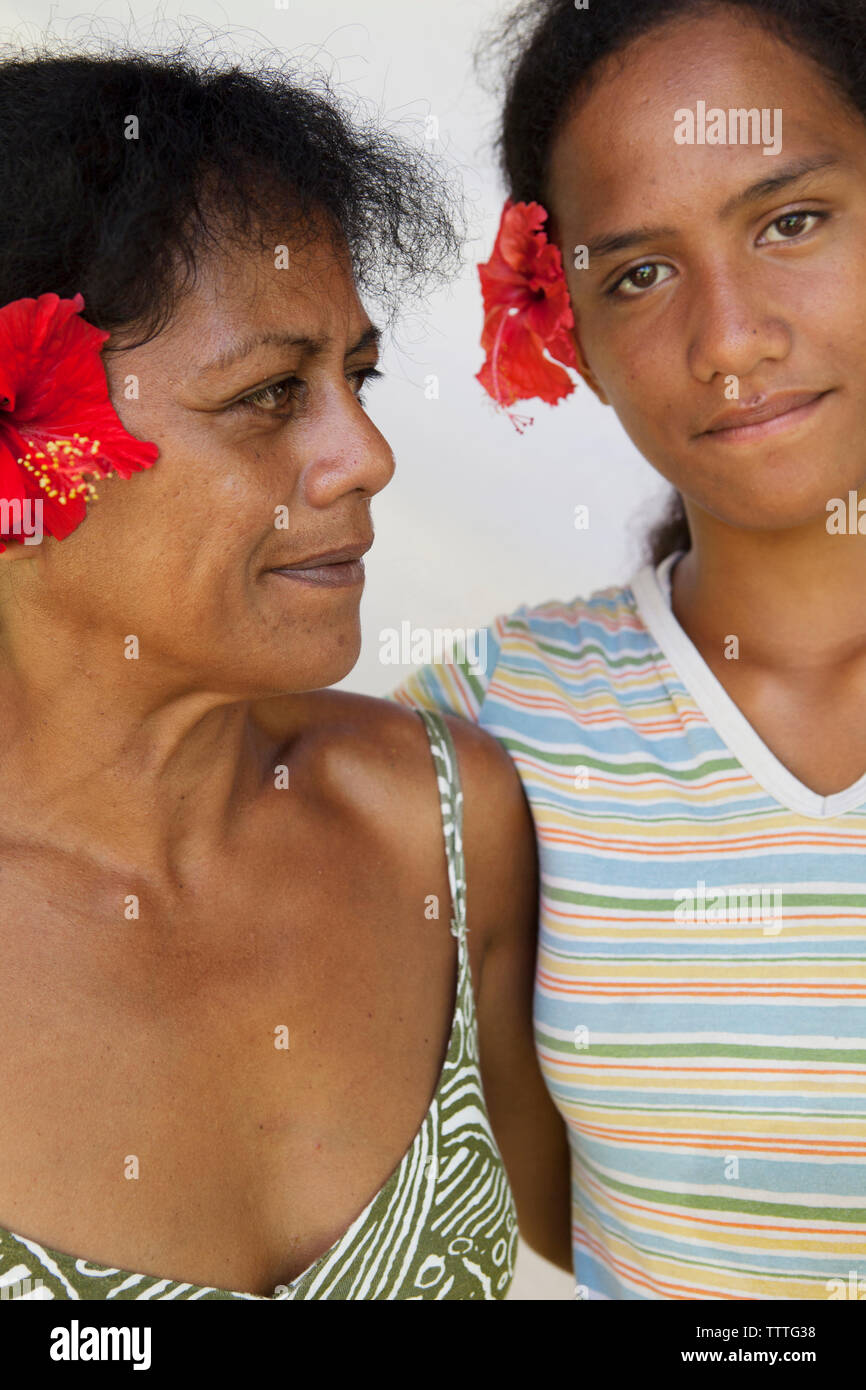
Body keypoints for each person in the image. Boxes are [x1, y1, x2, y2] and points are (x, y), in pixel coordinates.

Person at [0, 43, 571, 1301]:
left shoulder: (440, 822)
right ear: (22, 447)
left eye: (353, 378)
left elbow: (677, 1250)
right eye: (268, 394)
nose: (363, 454)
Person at [392, 0, 866, 1299]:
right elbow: (551, 1205)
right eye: (638, 273)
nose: (728, 342)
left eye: (790, 221)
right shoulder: (490, 722)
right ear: (569, 333)